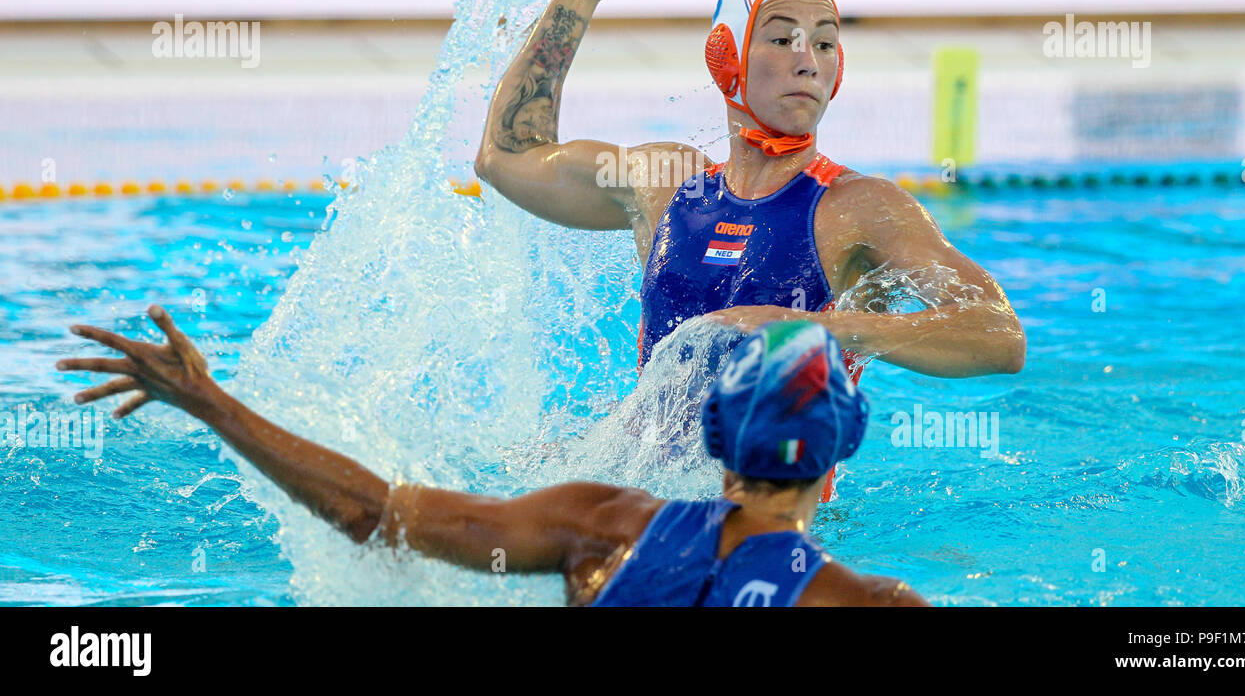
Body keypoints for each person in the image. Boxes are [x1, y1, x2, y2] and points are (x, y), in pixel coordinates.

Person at [60, 306, 927, 607]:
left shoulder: (598, 524)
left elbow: (369, 513)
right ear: (839, 457)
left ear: (713, 443)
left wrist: (208, 400)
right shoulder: (874, 602)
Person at [474, 0, 1026, 382]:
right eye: (782, 38)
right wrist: (572, 4)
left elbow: (998, 336)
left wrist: (817, 330)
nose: (807, 62)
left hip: (776, 518)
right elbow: (505, 157)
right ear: (726, 55)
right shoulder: (666, 186)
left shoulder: (860, 207)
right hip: (641, 503)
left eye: (826, 44)